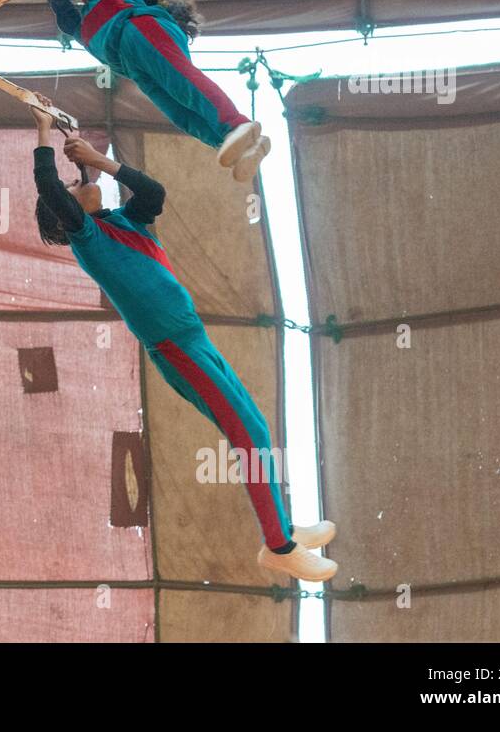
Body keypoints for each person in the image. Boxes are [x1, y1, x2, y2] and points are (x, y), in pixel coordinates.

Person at [28, 98, 335, 580]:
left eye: (78, 182)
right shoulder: (87, 239)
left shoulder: (126, 221)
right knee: (245, 437)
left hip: (194, 340)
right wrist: (43, 132)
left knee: (255, 429)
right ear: (64, 218)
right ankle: (278, 547)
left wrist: (98, 162)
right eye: (72, 188)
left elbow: (153, 191)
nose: (77, 186)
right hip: (176, 348)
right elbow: (49, 184)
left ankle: (282, 528)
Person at [43, 0, 269, 182]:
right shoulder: (82, 27)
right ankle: (237, 146)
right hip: (133, 66)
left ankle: (236, 125)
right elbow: (60, 4)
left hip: (140, 29)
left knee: (184, 86)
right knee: (179, 112)